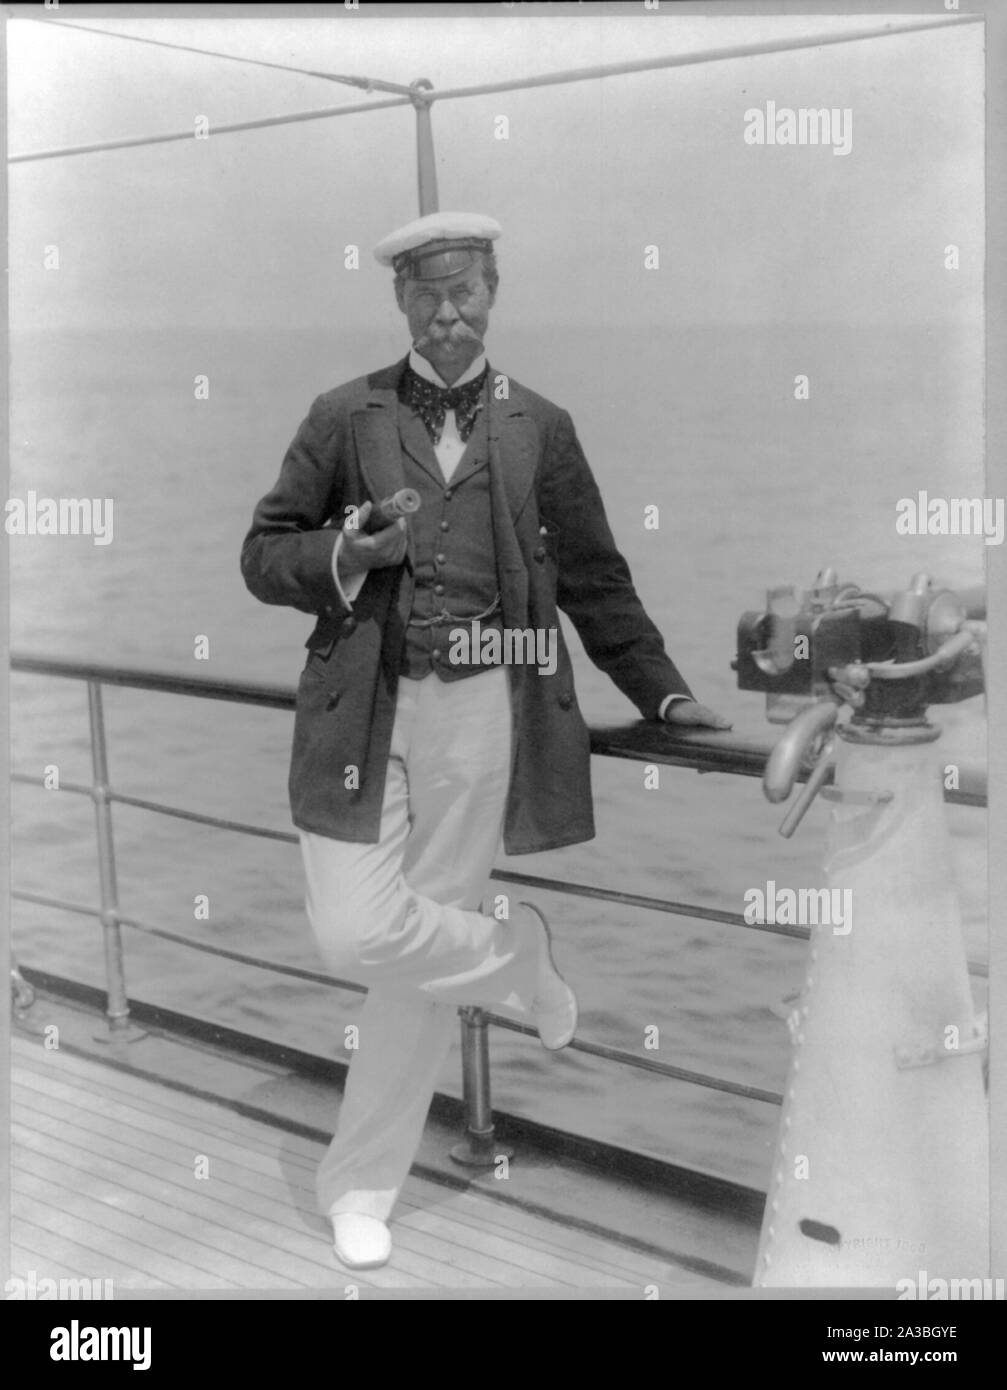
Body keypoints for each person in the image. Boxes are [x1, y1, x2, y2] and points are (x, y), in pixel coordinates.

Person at [240, 211, 730, 1270]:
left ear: (494, 290)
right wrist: (348, 552)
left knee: (408, 973)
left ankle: (360, 1188)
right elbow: (262, 552)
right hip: (362, 710)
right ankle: (516, 959)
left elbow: (596, 577)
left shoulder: (537, 426)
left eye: (465, 291)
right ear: (400, 301)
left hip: (482, 714)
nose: (448, 312)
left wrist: (664, 693)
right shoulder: (345, 413)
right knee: (348, 933)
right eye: (428, 294)